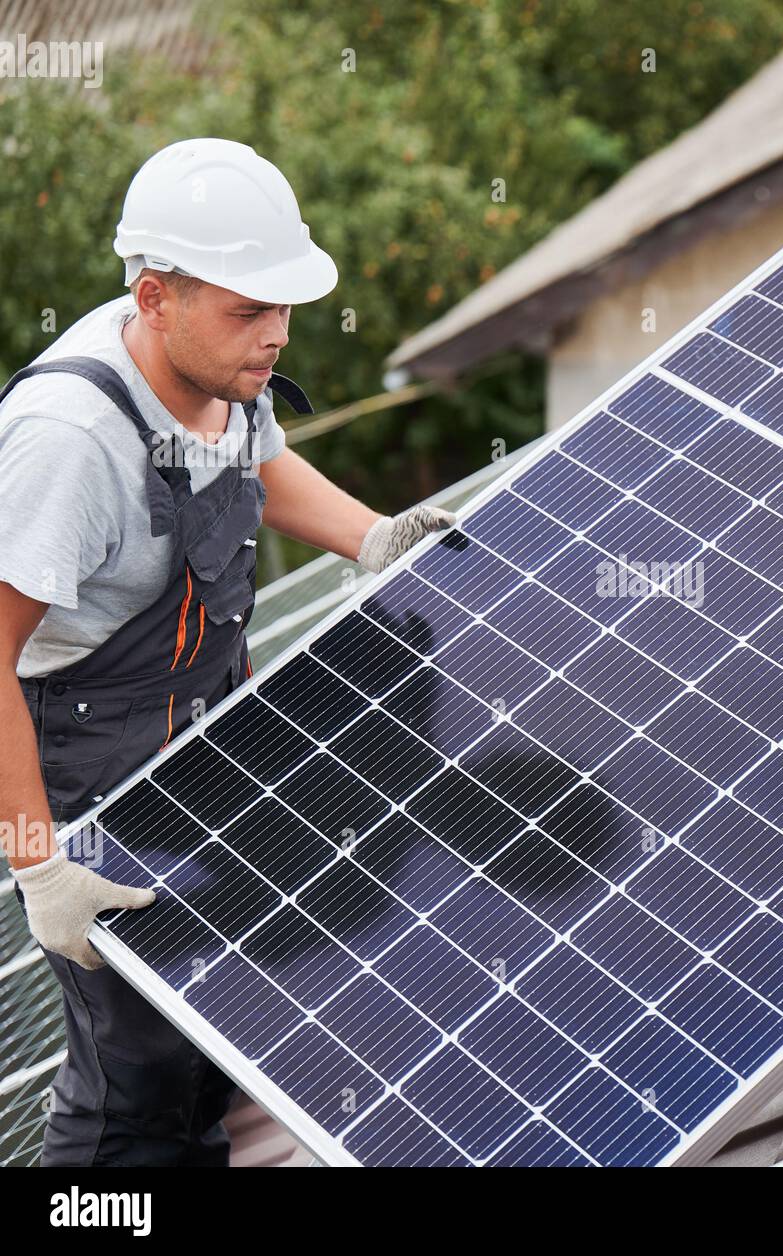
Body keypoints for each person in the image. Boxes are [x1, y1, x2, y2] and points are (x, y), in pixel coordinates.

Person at [0, 137, 453, 1166]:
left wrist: (374, 534)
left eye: (283, 306)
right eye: (249, 309)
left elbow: (260, 466)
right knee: (137, 1088)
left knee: (219, 1037)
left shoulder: (218, 366)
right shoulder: (72, 440)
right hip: (94, 788)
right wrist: (41, 865)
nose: (277, 335)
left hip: (209, 747)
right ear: (155, 298)